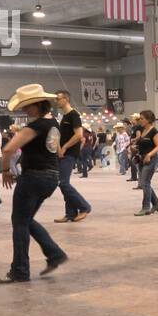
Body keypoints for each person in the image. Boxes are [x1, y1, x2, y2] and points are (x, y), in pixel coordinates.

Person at [0, 85, 68, 283]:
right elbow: (58, 152)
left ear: (37, 105)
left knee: (19, 223)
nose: (25, 110)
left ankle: (20, 271)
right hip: (51, 177)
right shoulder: (53, 124)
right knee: (26, 220)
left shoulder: (34, 127)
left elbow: (8, 149)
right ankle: (55, 254)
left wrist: (6, 170)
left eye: (28, 106)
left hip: (33, 177)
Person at [53, 90, 92, 223]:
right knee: (64, 183)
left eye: (58, 99)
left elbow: (79, 135)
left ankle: (84, 207)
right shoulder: (64, 116)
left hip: (69, 153)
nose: (56, 101)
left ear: (66, 99)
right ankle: (70, 213)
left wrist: (65, 147)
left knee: (63, 183)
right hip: (62, 153)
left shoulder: (73, 115)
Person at [134, 110, 158, 216]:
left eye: (142, 118)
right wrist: (135, 148)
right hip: (142, 159)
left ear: (149, 120)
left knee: (145, 183)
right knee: (145, 183)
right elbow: (144, 145)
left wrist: (149, 155)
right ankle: (156, 204)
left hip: (151, 159)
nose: (140, 120)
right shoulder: (143, 130)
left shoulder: (154, 131)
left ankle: (146, 207)